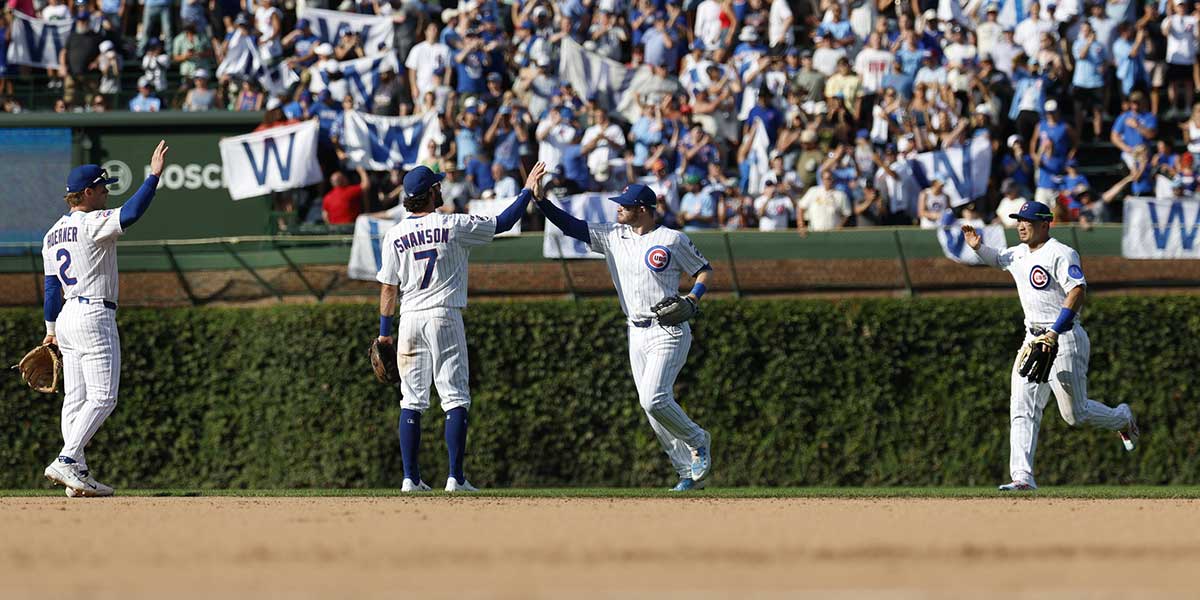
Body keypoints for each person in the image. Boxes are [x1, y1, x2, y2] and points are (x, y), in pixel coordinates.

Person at [375, 163, 546, 493]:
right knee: (454, 396)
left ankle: (410, 479)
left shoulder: (394, 234)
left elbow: (388, 288)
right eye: (437, 186)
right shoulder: (452, 224)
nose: (441, 189)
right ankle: (455, 477)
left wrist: (384, 332)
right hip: (444, 315)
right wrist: (526, 190)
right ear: (431, 193)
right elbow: (504, 222)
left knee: (411, 400)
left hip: (409, 319)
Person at [534, 183, 714, 492]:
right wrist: (541, 202)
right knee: (653, 410)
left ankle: (698, 440)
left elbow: (704, 270)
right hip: (636, 331)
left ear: (642, 210)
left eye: (625, 204)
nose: (619, 207)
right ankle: (686, 471)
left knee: (653, 398)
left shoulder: (671, 239)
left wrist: (693, 299)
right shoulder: (612, 235)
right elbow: (571, 226)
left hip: (668, 329)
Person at [962, 201, 1139, 491]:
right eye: (1019, 220)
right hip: (1032, 338)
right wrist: (977, 247)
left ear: (1045, 224)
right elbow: (997, 259)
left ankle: (1122, 418)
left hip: (1064, 337)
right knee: (1022, 407)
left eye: (1028, 221)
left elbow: (1077, 291)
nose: (1021, 225)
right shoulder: (1018, 253)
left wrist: (1054, 332)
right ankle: (1022, 477)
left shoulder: (1061, 252)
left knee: (1075, 415)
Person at [41, 141, 170, 498]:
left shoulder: (51, 234)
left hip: (66, 317)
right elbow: (131, 213)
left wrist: (50, 330)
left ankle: (78, 473)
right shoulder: (91, 223)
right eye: (102, 187)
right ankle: (67, 459)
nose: (106, 192)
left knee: (75, 399)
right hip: (93, 314)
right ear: (87, 193)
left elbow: (51, 289)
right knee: (103, 397)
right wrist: (153, 176)